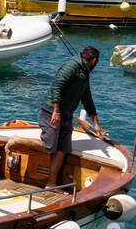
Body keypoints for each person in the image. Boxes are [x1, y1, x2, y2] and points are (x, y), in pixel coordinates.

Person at [41, 46, 107, 187]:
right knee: (50, 146)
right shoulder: (72, 66)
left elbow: (87, 98)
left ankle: (51, 184)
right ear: (94, 60)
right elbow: (56, 86)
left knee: (63, 148)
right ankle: (16, 141)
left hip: (66, 116)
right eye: (97, 62)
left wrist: (96, 124)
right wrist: (56, 111)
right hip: (51, 112)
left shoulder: (85, 72)